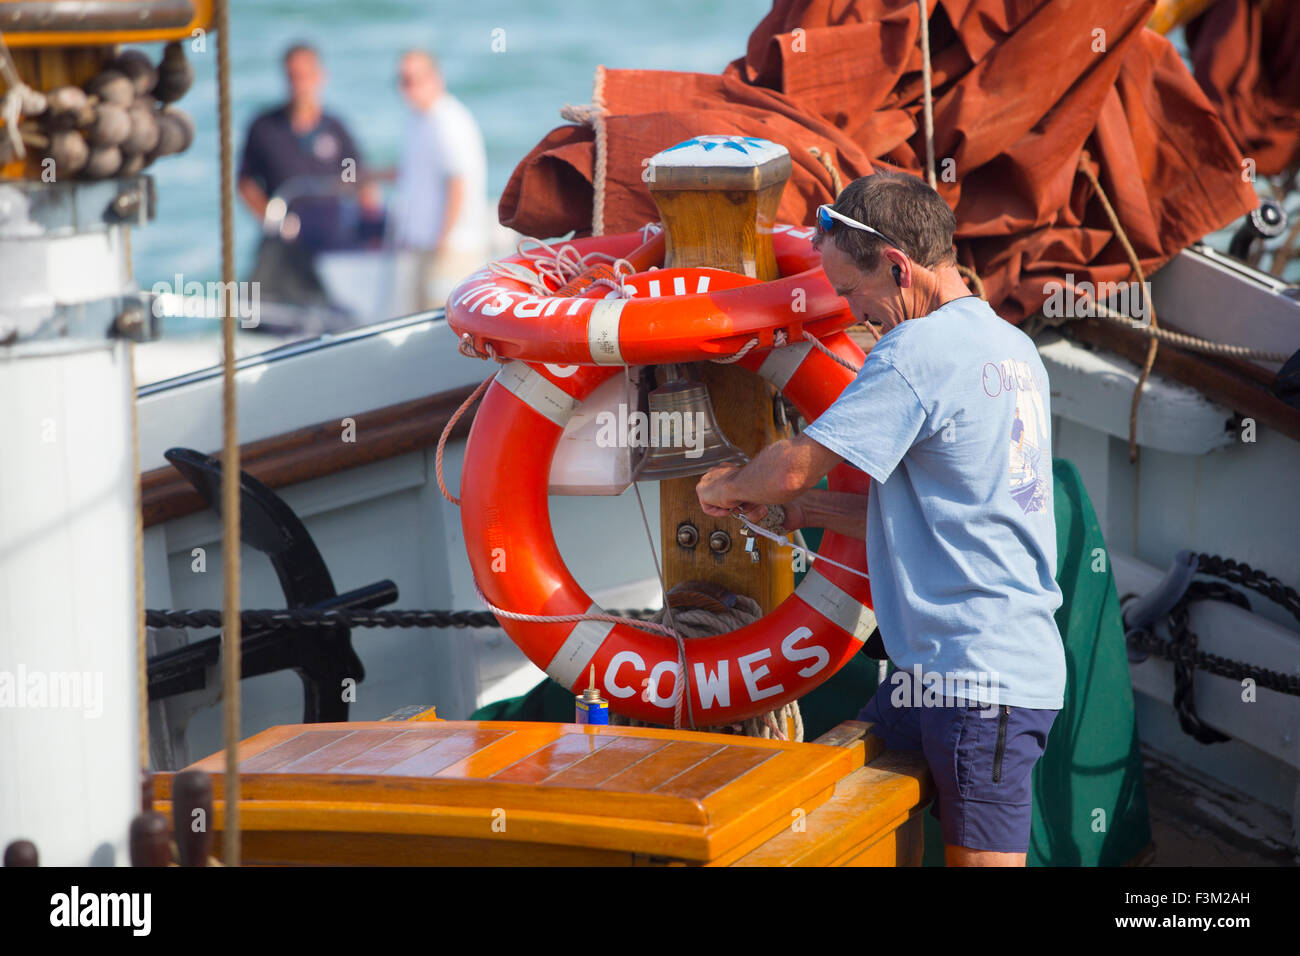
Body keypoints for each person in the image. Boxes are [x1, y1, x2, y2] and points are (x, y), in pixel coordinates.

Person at [695, 171, 1066, 867]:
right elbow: (941, 505)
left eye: (852, 291)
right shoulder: (1013, 350)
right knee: (830, 808)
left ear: (898, 267)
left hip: (977, 685)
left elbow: (793, 464)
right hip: (954, 673)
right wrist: (800, 510)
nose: (854, 312)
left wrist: (728, 486)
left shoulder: (915, 351)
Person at [238, 44, 382, 308]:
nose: (300, 84)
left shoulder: (336, 130)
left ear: (320, 77)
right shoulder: (264, 129)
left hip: (332, 241)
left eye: (305, 76)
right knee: (262, 304)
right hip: (285, 241)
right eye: (293, 76)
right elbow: (244, 183)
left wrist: (370, 225)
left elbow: (361, 180)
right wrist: (271, 218)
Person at [391, 49, 488, 309]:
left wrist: (443, 239)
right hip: (424, 244)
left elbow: (458, 182)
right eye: (402, 80)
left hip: (450, 247)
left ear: (435, 78)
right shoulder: (419, 120)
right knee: (417, 316)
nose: (407, 88)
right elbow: (414, 173)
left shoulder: (448, 120)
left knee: (442, 322)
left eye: (414, 79)